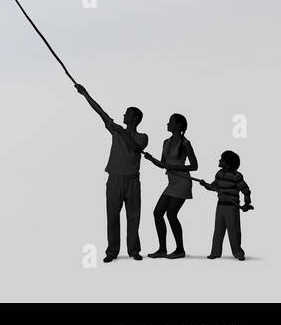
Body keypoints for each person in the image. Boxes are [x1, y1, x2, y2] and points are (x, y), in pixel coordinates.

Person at [74, 82, 147, 262]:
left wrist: (121, 131)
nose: (124, 114)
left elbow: (135, 148)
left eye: (127, 113)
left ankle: (134, 250)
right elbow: (100, 111)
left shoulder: (142, 137)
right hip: (114, 179)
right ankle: (112, 251)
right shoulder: (116, 131)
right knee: (112, 216)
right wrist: (85, 94)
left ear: (135, 117)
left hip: (132, 181)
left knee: (133, 217)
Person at [142, 114, 197, 258]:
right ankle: (162, 249)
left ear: (178, 125)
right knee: (157, 213)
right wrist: (151, 159)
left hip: (183, 181)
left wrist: (175, 167)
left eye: (171, 122)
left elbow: (194, 166)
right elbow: (163, 164)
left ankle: (180, 250)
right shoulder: (166, 142)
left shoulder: (185, 143)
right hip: (172, 182)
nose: (168, 123)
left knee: (171, 214)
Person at [197, 151, 253, 260]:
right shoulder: (219, 174)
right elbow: (214, 187)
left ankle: (238, 252)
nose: (219, 160)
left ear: (228, 163)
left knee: (234, 230)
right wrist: (205, 185)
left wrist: (247, 203)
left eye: (221, 159)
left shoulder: (236, 176)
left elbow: (246, 190)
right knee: (218, 230)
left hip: (232, 207)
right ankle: (215, 252)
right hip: (220, 206)